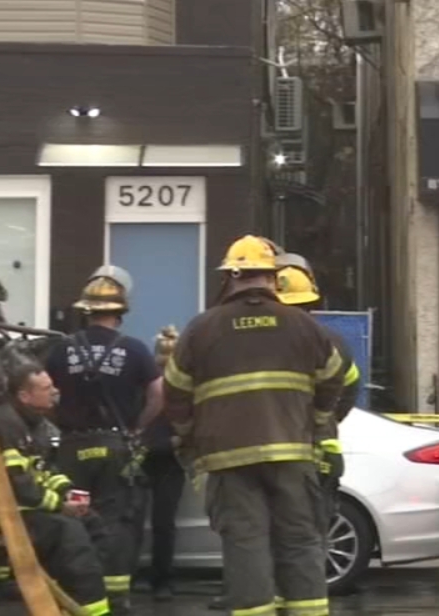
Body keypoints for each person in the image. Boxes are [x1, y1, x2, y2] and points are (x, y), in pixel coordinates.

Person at [163, 235, 344, 616]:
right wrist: (315, 421)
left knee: (246, 545)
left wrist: (188, 436)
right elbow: (333, 379)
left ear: (230, 276)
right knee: (299, 542)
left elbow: (175, 391)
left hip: (228, 459)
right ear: (272, 276)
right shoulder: (304, 326)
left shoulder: (201, 329)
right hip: (292, 453)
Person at [46, 265, 161, 612]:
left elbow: (45, 394)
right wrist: (137, 427)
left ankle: (77, 591)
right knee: (116, 522)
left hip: (71, 448)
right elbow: (159, 393)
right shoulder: (136, 349)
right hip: (115, 448)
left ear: (86, 311)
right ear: (120, 313)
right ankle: (115, 595)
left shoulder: (61, 350)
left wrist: (61, 425)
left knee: (73, 518)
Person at [0, 360, 113, 616]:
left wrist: (68, 493)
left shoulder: (37, 424)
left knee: (93, 523)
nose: (54, 392)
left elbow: (46, 471)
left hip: (26, 504)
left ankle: (76, 602)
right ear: (24, 395)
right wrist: (60, 506)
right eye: (46, 388)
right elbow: (16, 482)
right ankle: (86, 611)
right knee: (68, 532)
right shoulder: (3, 424)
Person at [274, 255, 362, 547]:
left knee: (280, 530)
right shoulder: (332, 341)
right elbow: (350, 386)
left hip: (281, 450)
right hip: (323, 451)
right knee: (312, 532)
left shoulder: (267, 342)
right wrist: (329, 419)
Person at [139, 327, 185, 602]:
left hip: (170, 460)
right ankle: (146, 575)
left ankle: (162, 577)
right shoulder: (144, 385)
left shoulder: (185, 390)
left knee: (163, 522)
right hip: (147, 456)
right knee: (134, 520)